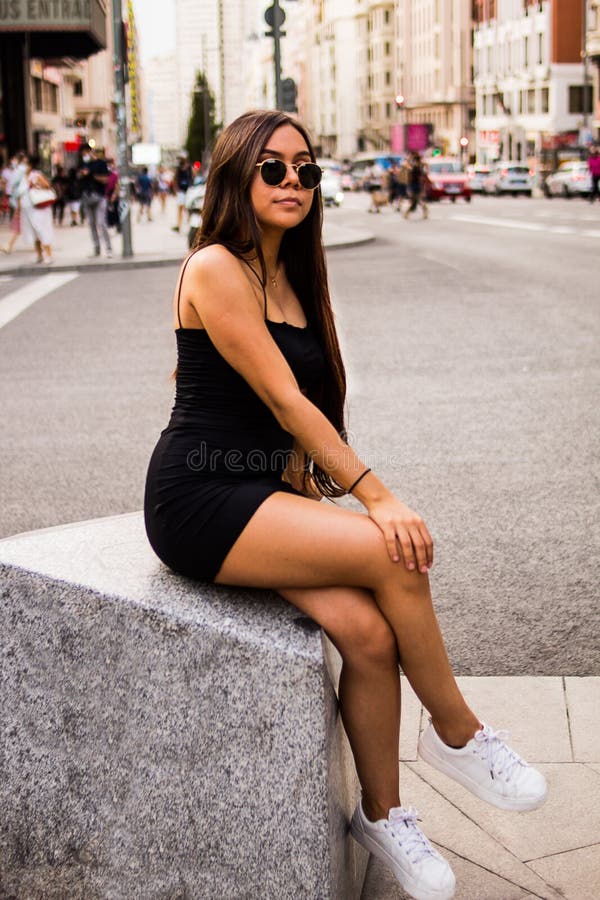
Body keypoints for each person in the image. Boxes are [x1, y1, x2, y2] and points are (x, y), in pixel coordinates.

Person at [143, 110, 547, 900]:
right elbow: (286, 402)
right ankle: (459, 733)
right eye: (274, 168)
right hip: (197, 493)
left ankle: (383, 816)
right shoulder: (215, 267)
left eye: (307, 170)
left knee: (366, 634)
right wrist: (376, 497)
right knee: (388, 548)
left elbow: (292, 424)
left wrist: (311, 499)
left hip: (260, 491)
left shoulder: (295, 274)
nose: (293, 181)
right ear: (236, 173)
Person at [18, 155, 54, 264]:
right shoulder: (22, 177)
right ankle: (39, 254)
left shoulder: (36, 175)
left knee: (42, 230)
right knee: (33, 232)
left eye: (25, 164)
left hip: (38, 208)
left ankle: (49, 254)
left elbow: (47, 185)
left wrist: (35, 185)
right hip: (27, 209)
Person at [77, 143, 112, 258]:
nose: (84, 155)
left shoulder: (100, 164)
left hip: (99, 196)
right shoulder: (82, 164)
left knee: (101, 223)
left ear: (90, 151)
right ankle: (96, 248)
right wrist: (81, 175)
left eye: (85, 152)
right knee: (91, 224)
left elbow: (105, 180)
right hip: (87, 197)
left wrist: (91, 174)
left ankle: (108, 248)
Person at [404, 151, 429, 220]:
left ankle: (407, 213)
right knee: (415, 200)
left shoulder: (415, 167)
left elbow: (407, 168)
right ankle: (424, 212)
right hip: (416, 184)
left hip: (415, 184)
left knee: (416, 199)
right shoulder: (419, 166)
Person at [171, 154, 193, 232]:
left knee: (186, 208)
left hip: (188, 191)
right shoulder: (179, 168)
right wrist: (176, 189)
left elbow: (191, 178)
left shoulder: (189, 168)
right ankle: (179, 225)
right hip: (181, 191)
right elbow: (175, 178)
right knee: (181, 208)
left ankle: (188, 224)